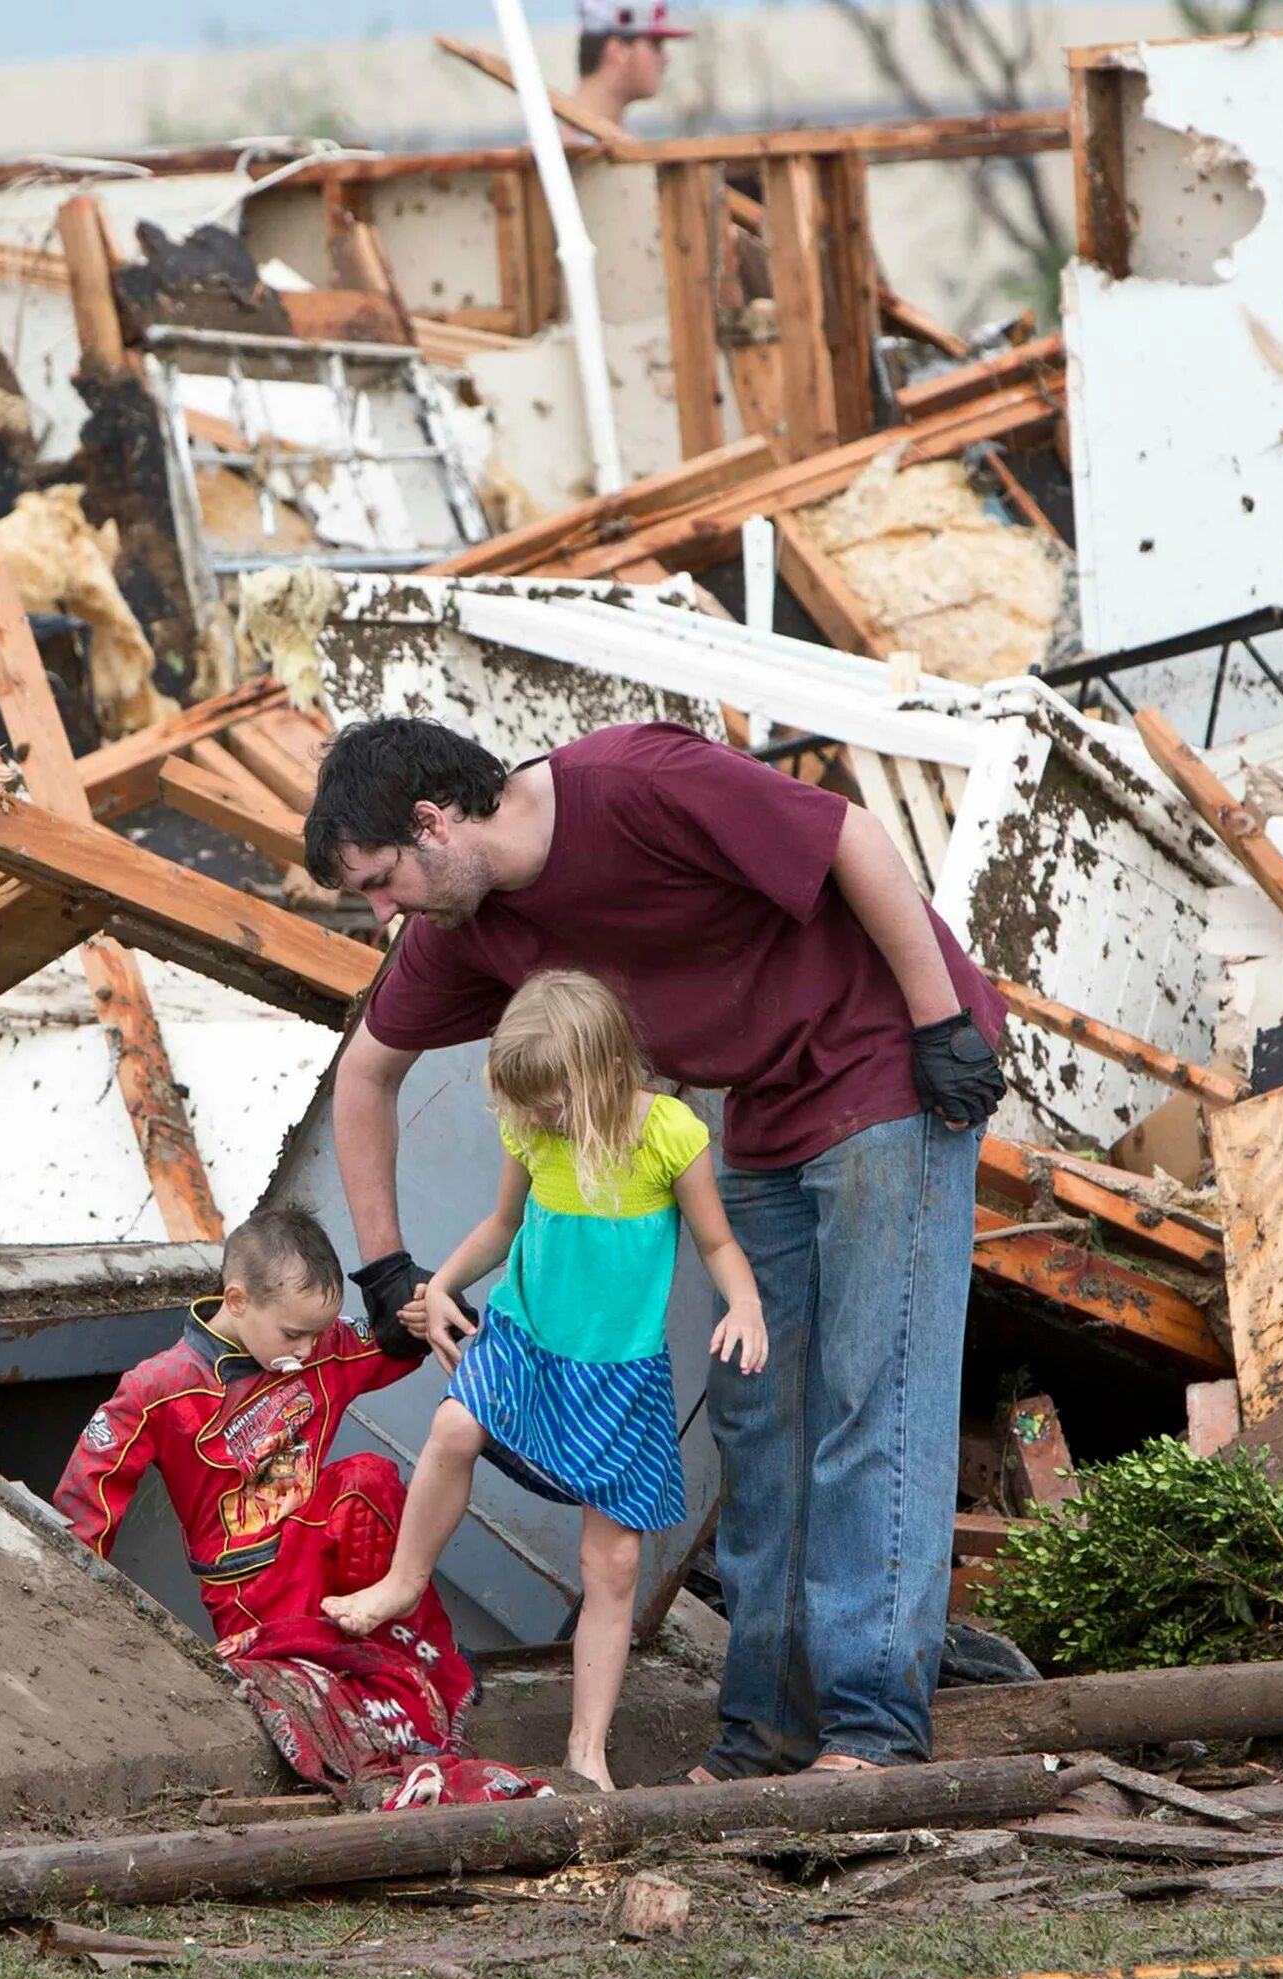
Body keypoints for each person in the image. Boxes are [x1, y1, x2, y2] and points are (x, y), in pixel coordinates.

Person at [305, 716, 1010, 1781]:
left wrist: (940, 1025)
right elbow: (366, 1073)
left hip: (885, 1067)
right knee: (758, 1410)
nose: (382, 910)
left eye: (380, 880)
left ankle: (872, 1730)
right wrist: (387, 1268)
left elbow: (853, 838)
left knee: (875, 1393)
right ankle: (766, 1730)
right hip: (765, 1105)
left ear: (432, 821)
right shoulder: (466, 927)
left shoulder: (635, 783)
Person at [324, 971, 766, 1792]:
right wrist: (441, 1286)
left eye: (550, 1101)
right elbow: (502, 1224)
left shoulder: (671, 1136)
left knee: (615, 1563)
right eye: (524, 1104)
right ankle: (404, 1578)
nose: (535, 1117)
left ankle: (586, 1748)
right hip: (527, 1338)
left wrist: (744, 1305)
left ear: (601, 1071)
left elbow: (717, 1245)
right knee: (455, 1428)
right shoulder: (533, 1133)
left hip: (620, 1374)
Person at [51, 1202, 544, 1807]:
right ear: (236, 1301)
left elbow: (386, 1344)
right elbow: (90, 1490)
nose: (310, 1350)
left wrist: (423, 1313)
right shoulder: (160, 1387)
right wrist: (79, 1600)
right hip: (248, 1586)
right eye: (293, 1335)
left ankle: (405, 1659)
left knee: (368, 1476)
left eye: (319, 1332)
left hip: (328, 1559)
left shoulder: (325, 1347)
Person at [573, 0, 690, 138]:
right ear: (619, 50)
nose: (666, 59)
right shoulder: (550, 143)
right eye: (656, 45)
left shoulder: (627, 140)